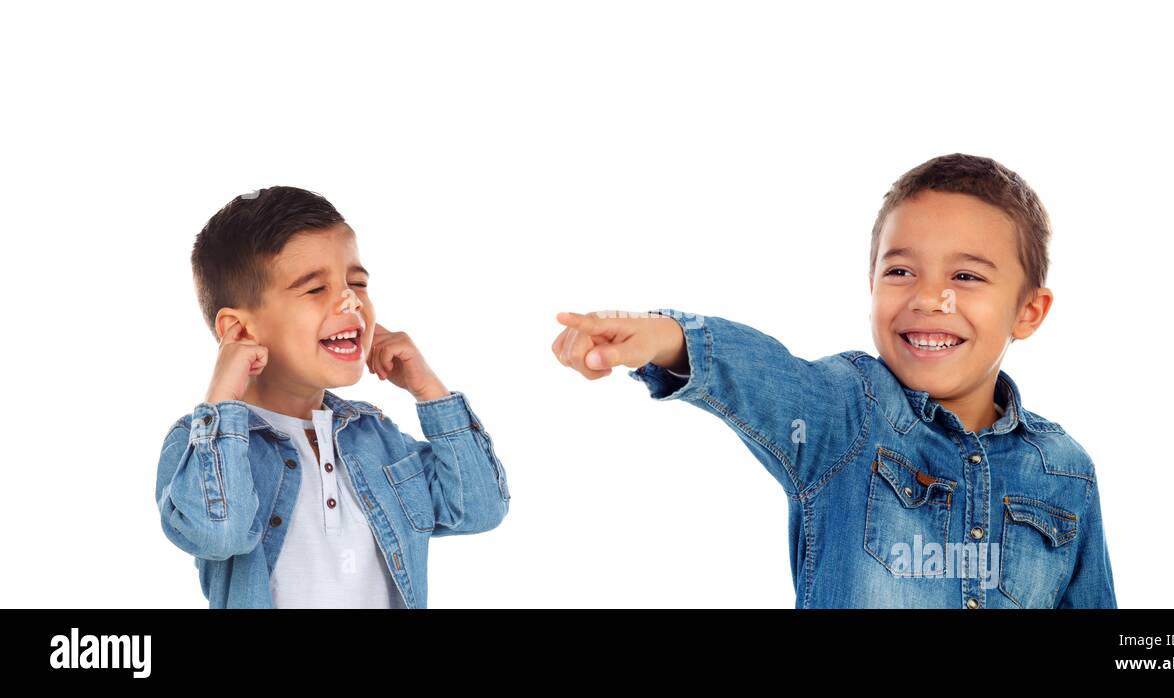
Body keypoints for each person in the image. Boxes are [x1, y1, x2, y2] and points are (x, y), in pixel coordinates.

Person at [552, 153, 1116, 608]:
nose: (927, 297)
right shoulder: (849, 412)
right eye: (900, 271)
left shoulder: (1065, 470)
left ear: (1029, 311)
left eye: (965, 276)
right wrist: (667, 337)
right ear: (870, 284)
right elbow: (765, 376)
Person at [156, 186, 510, 608]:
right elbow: (218, 532)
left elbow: (480, 507)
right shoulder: (202, 447)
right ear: (241, 330)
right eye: (314, 289)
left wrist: (428, 389)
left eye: (356, 283)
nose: (350, 301)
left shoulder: (373, 436)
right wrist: (222, 402)